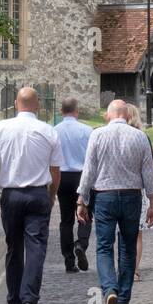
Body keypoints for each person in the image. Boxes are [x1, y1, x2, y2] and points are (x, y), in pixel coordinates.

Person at [0, 86, 61, 304]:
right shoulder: (48, 131)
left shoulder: (1, 128)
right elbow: (56, 171)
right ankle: (30, 298)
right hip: (37, 195)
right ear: (38, 106)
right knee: (36, 247)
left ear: (16, 103)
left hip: (11, 195)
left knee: (14, 247)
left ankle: (13, 301)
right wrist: (52, 194)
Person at [76, 99, 153, 304]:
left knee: (104, 246)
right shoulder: (140, 136)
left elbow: (89, 171)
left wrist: (81, 200)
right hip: (132, 196)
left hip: (105, 196)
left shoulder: (97, 135)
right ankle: (123, 300)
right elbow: (149, 173)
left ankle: (109, 290)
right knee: (128, 246)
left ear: (108, 115)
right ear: (127, 115)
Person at [55, 97, 93, 273]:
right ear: (77, 111)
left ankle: (69, 261)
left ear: (61, 111)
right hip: (81, 176)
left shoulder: (54, 131)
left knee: (66, 220)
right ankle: (81, 244)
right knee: (85, 213)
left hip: (62, 177)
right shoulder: (87, 130)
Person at [125, 105, 153, 280]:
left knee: (117, 235)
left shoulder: (110, 135)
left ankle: (120, 269)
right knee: (136, 234)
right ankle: (134, 270)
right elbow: (150, 170)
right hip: (137, 191)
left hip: (112, 191)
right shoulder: (142, 138)